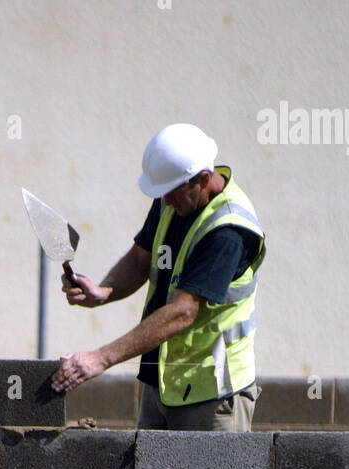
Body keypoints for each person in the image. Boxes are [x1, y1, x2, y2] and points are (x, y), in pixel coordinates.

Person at [50, 124, 266, 431]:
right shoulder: (174, 196)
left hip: (213, 395)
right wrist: (105, 291)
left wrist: (100, 358)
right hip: (164, 384)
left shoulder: (228, 231)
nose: (165, 202)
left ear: (203, 180)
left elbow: (183, 311)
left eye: (172, 194)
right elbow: (141, 258)